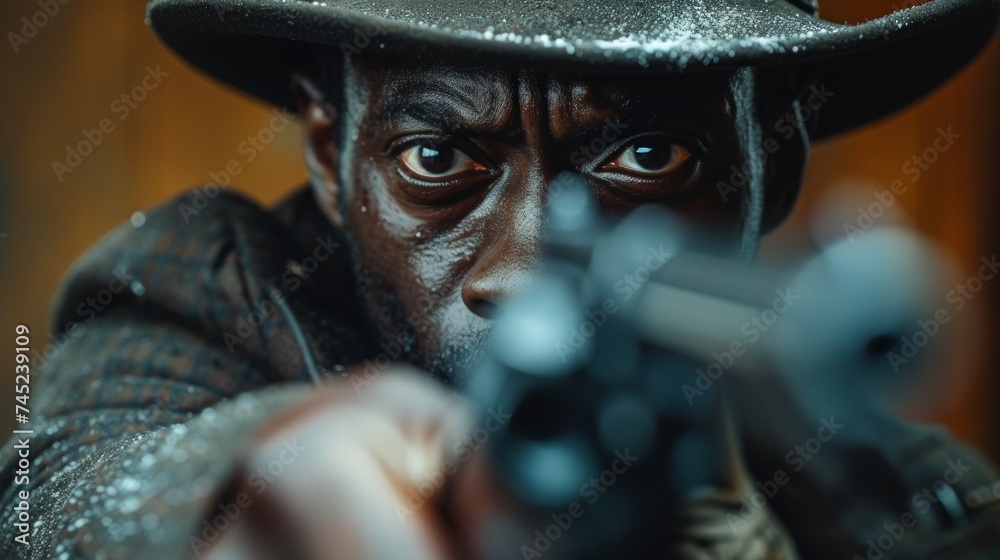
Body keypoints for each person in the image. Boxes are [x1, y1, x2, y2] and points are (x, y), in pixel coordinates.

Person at [3, 0, 1000, 558]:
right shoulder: (207, 285)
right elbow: (60, 497)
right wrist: (219, 502)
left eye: (648, 157)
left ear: (771, 165)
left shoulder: (892, 477)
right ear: (328, 151)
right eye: (437, 161)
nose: (523, 266)